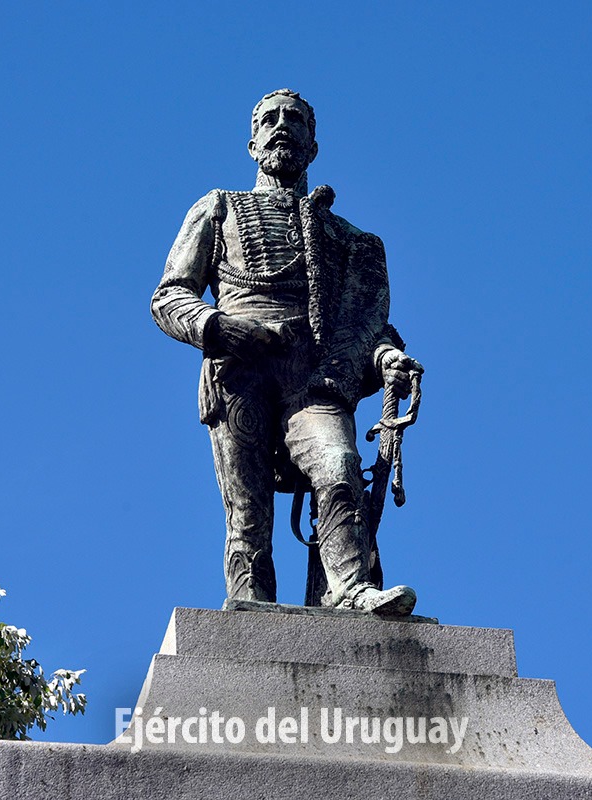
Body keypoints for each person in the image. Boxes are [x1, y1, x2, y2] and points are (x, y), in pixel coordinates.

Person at [151, 89, 423, 615]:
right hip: (239, 373)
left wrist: (387, 357)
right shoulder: (219, 207)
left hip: (314, 377)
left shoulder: (349, 240)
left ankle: (349, 587)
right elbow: (168, 296)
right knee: (247, 509)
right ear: (252, 142)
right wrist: (221, 327)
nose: (281, 126)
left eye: (294, 119)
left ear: (313, 143)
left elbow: (366, 325)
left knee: (339, 464)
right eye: (269, 119)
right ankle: (251, 602)